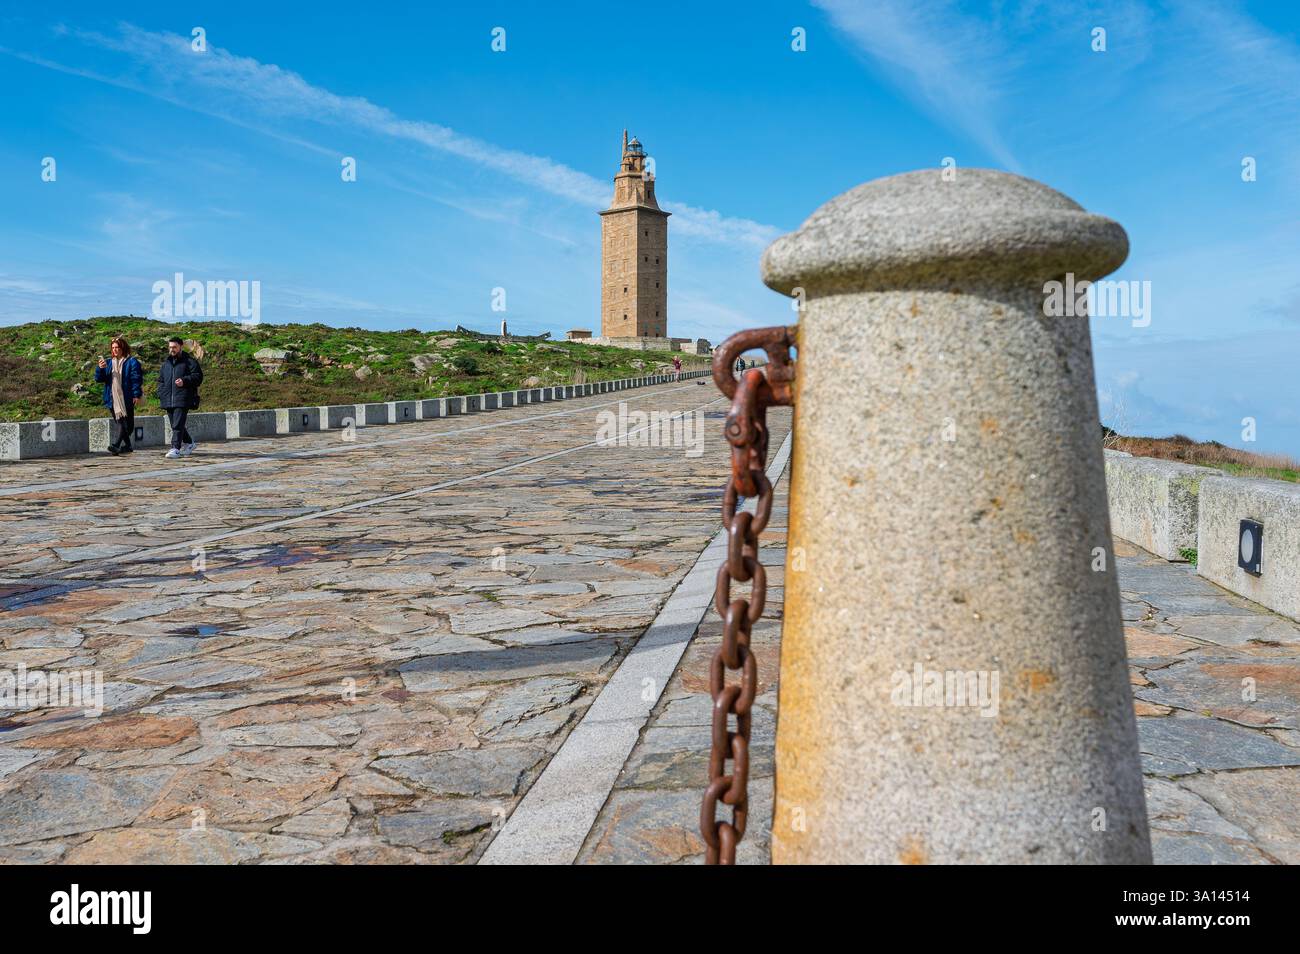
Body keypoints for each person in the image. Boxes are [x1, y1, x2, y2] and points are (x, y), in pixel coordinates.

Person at [93, 336, 143, 455]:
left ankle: (119, 445)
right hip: (112, 398)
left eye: (117, 347)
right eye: (113, 348)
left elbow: (136, 379)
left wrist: (136, 395)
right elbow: (98, 379)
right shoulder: (108, 363)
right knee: (121, 423)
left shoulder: (132, 362)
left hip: (126, 397)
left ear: (123, 348)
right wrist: (100, 369)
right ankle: (120, 445)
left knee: (128, 425)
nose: (115, 350)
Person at [157, 337, 203, 459]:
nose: (172, 349)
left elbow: (198, 377)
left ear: (180, 347)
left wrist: (184, 380)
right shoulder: (165, 364)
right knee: (176, 425)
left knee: (177, 425)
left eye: (174, 347)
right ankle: (189, 443)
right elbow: (161, 381)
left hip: (183, 398)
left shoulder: (190, 361)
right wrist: (161, 393)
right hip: (168, 399)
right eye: (170, 347)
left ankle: (175, 448)